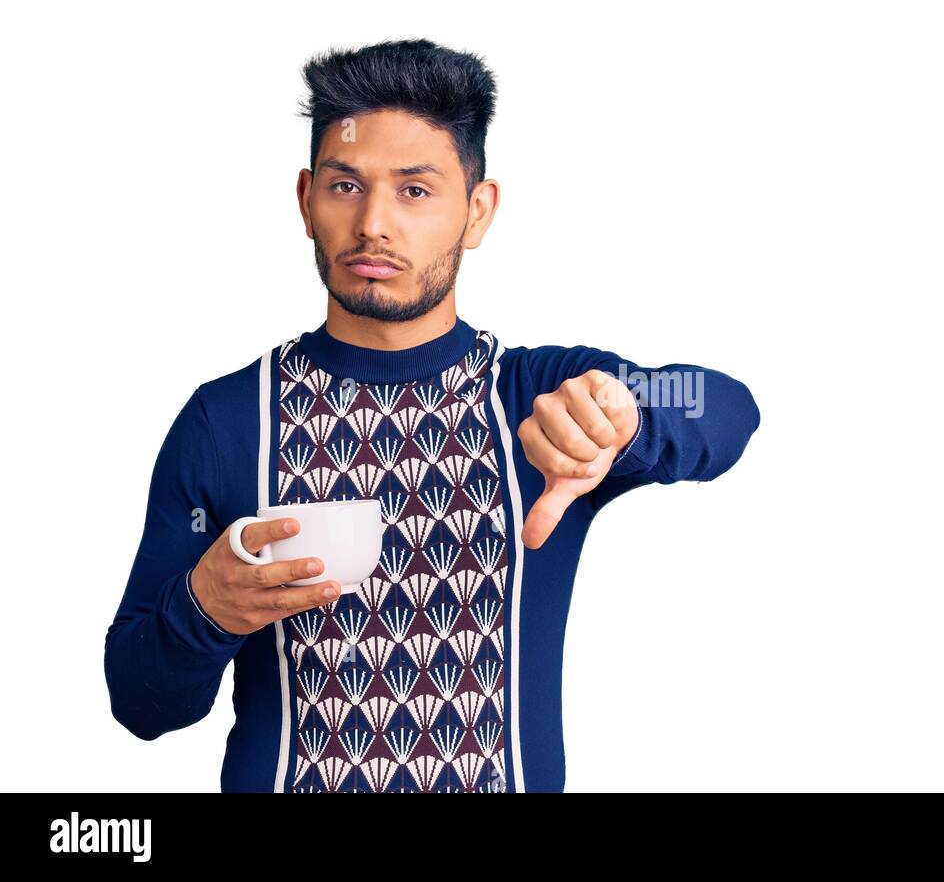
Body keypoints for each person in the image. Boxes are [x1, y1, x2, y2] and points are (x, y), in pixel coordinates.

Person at [103, 39, 760, 793]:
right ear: (304, 202)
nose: (374, 223)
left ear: (476, 213)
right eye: (346, 185)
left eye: (415, 191)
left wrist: (632, 414)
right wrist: (204, 606)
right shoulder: (225, 421)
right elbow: (139, 701)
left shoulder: (536, 396)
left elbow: (725, 406)